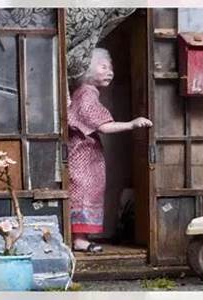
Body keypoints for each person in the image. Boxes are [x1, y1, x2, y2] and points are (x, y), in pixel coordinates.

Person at [68, 48, 152, 252]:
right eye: (103, 66)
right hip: (82, 154)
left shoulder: (87, 93)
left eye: (110, 67)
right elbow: (104, 126)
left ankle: (80, 238)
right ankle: (79, 239)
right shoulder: (87, 94)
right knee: (83, 192)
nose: (110, 71)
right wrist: (133, 123)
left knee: (86, 191)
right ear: (88, 69)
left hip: (85, 153)